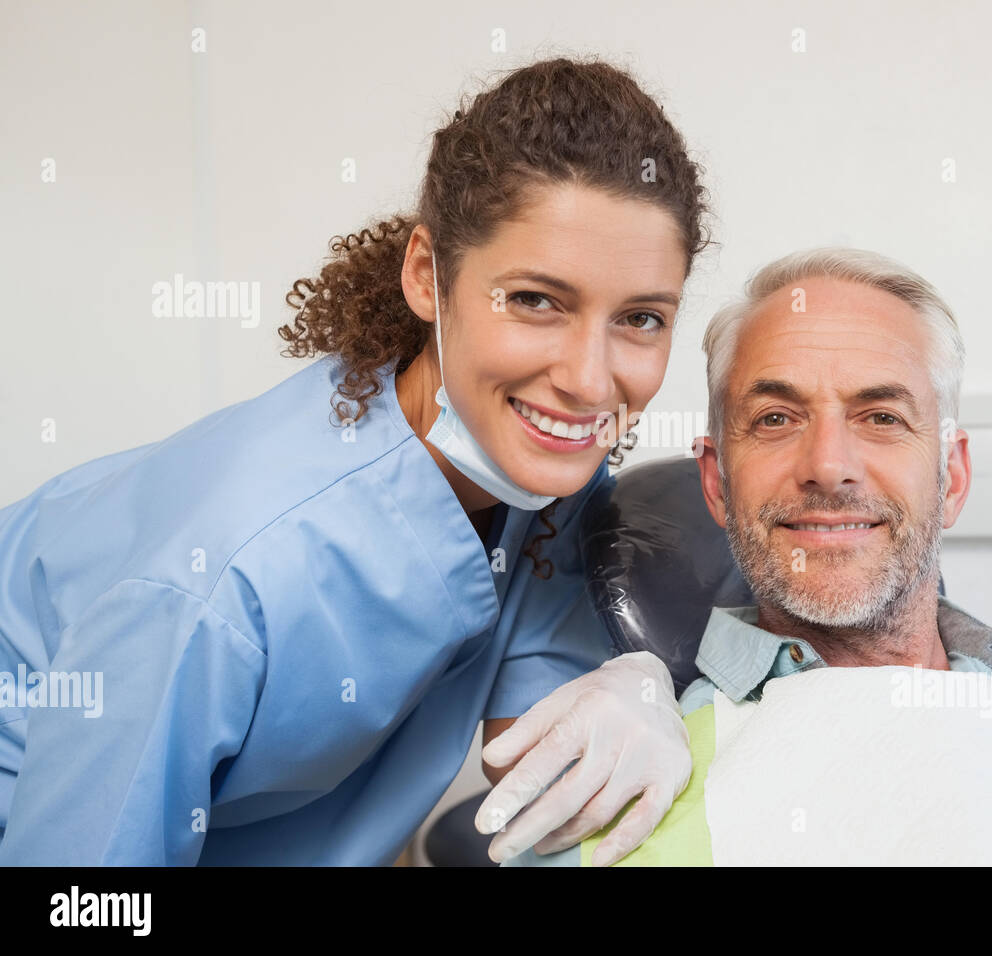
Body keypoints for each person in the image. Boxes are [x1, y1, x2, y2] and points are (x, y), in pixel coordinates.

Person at [0, 57, 704, 866]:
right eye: (536, 300)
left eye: (642, 318)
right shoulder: (226, 576)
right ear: (424, 276)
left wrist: (639, 684)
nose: (588, 379)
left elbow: (532, 768)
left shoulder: (546, 485)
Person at [510, 247, 992, 866]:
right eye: (777, 418)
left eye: (881, 416)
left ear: (951, 477)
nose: (829, 465)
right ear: (716, 481)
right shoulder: (618, 783)